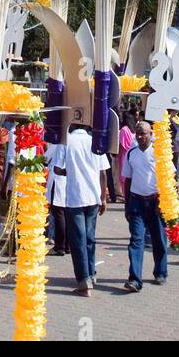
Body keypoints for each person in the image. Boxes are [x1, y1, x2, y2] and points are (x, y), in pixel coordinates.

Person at [56, 125, 110, 295]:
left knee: (78, 240)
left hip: (75, 196)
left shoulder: (66, 141)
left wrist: (70, 171)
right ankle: (91, 273)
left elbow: (57, 168)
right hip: (93, 196)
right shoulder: (95, 141)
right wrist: (103, 197)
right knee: (89, 237)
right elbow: (103, 173)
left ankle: (83, 280)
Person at [122, 122, 168, 291]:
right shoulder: (130, 153)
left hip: (156, 202)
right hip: (136, 203)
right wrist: (127, 205)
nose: (140, 137)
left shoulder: (159, 153)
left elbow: (167, 180)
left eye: (144, 134)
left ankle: (161, 272)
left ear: (151, 134)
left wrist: (165, 203)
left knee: (159, 240)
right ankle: (135, 279)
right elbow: (127, 179)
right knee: (136, 240)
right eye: (138, 134)